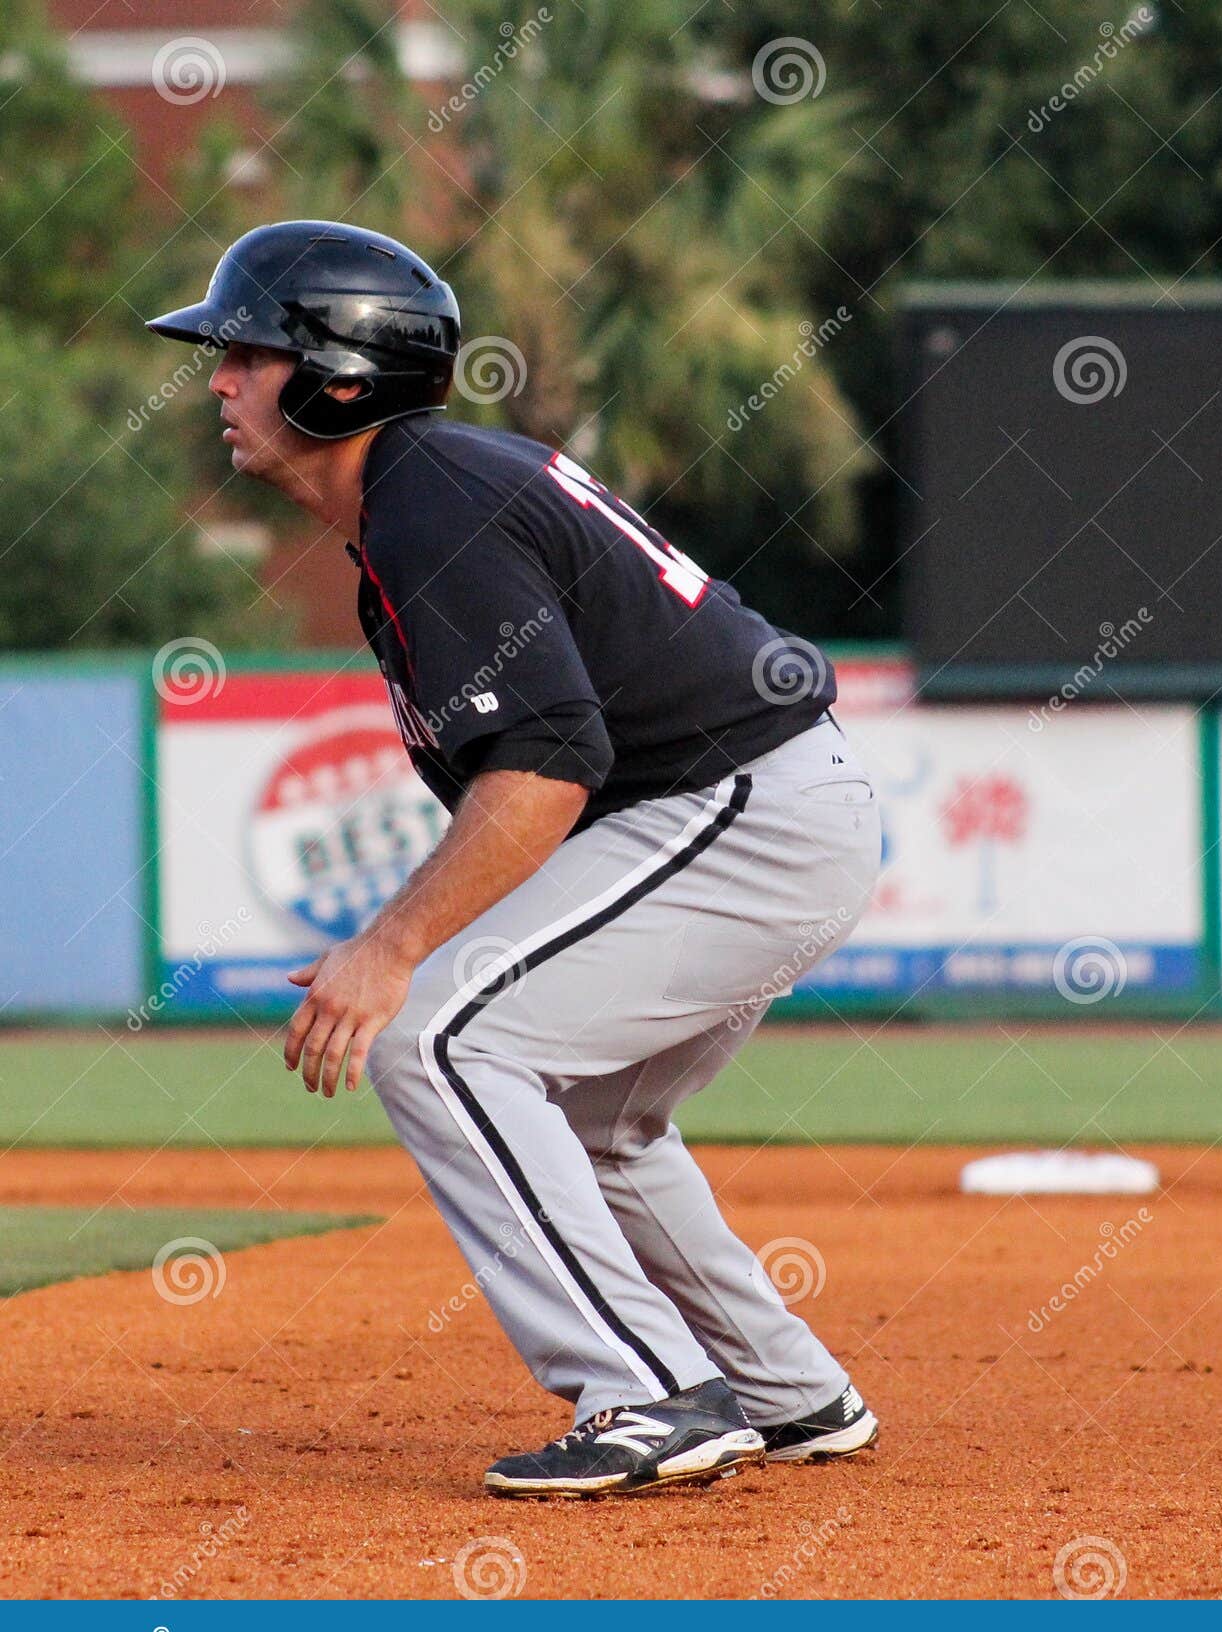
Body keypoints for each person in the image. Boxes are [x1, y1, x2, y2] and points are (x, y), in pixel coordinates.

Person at [147, 220, 882, 1499]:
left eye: (247, 351)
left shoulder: (432, 503)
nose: (216, 377)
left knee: (434, 1034)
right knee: (591, 1115)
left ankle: (645, 1395)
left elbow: (546, 765)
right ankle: (783, 1388)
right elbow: (546, 764)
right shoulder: (426, 492)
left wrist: (390, 949)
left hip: (739, 808)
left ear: (337, 374)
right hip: (751, 805)